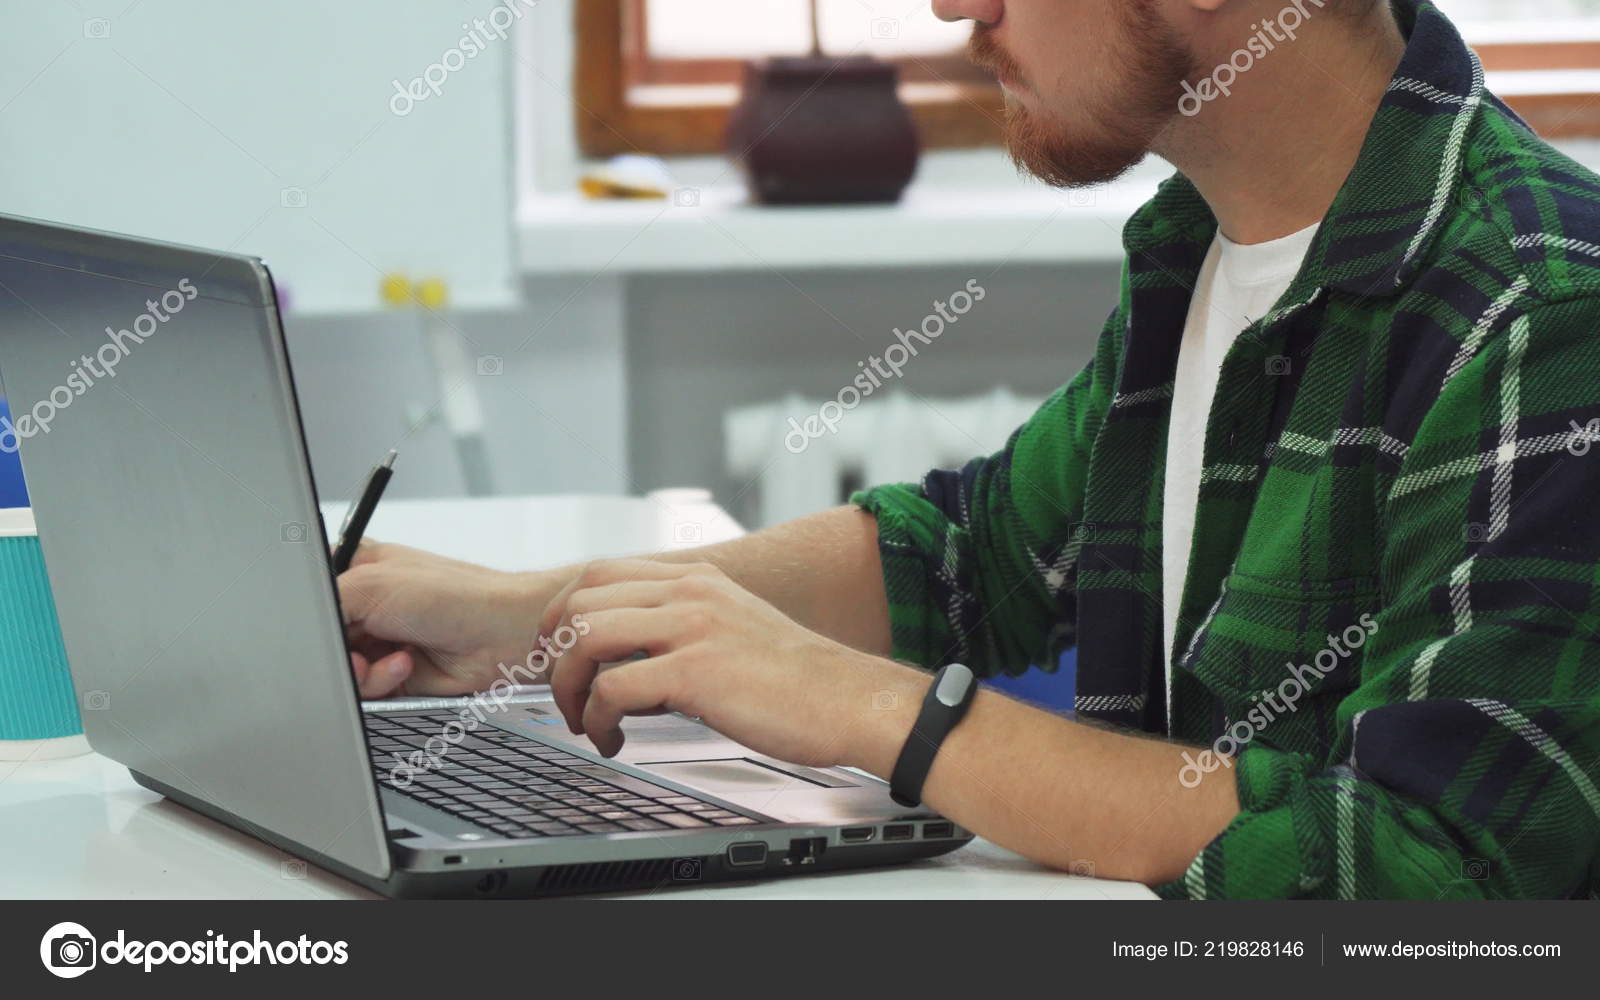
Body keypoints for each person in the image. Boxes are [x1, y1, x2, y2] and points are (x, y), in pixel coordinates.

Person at [338, 0, 1600, 898]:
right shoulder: (1201, 245)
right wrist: (526, 620)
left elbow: (1430, 873)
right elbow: (968, 555)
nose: (956, 6)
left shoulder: (1540, 306)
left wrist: (875, 712)